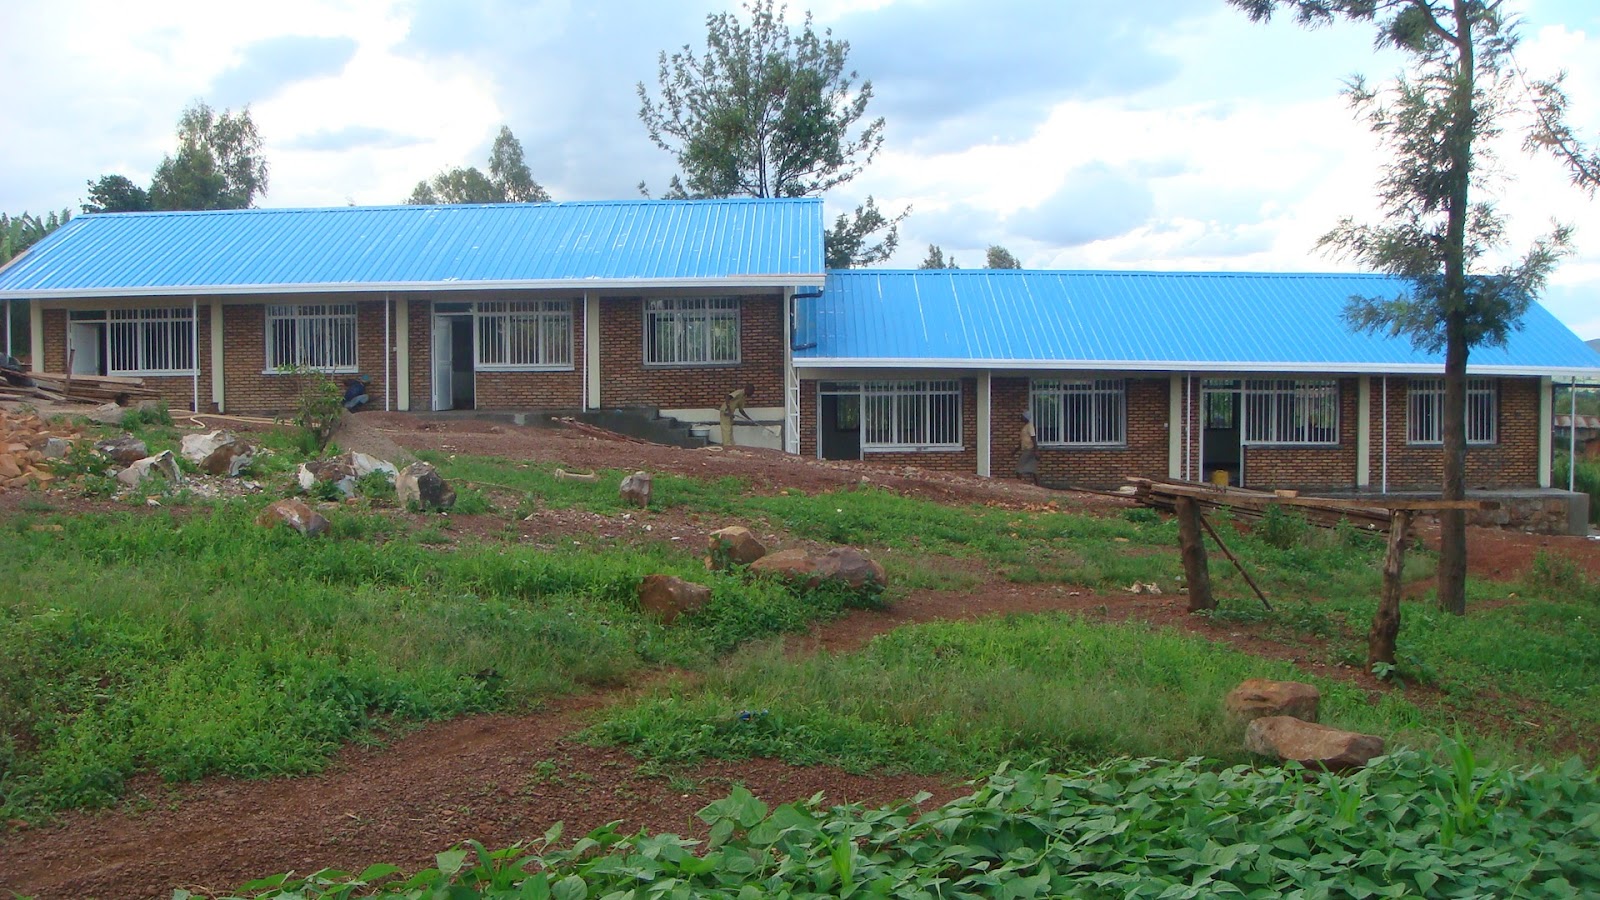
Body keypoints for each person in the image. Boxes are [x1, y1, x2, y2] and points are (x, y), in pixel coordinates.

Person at [1016, 410, 1039, 484]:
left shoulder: (1030, 426)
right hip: (1027, 449)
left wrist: (1036, 451)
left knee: (1019, 467)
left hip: (1029, 450)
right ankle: (1038, 485)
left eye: (1022, 416)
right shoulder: (1025, 427)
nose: (1021, 417)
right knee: (1033, 469)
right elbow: (1023, 441)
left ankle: (1019, 484)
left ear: (1026, 417)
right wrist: (1015, 450)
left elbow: (1033, 438)